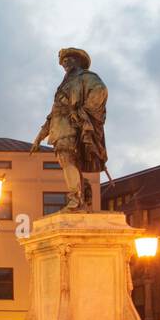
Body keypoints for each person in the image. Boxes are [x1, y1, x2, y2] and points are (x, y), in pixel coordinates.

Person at [30, 47, 108, 211]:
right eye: (63, 61)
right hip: (59, 127)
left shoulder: (87, 77)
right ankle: (80, 195)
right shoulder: (63, 86)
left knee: (68, 159)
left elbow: (100, 91)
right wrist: (39, 137)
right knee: (69, 160)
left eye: (68, 59)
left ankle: (75, 198)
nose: (65, 63)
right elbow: (52, 114)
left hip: (72, 125)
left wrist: (83, 112)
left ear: (78, 61)